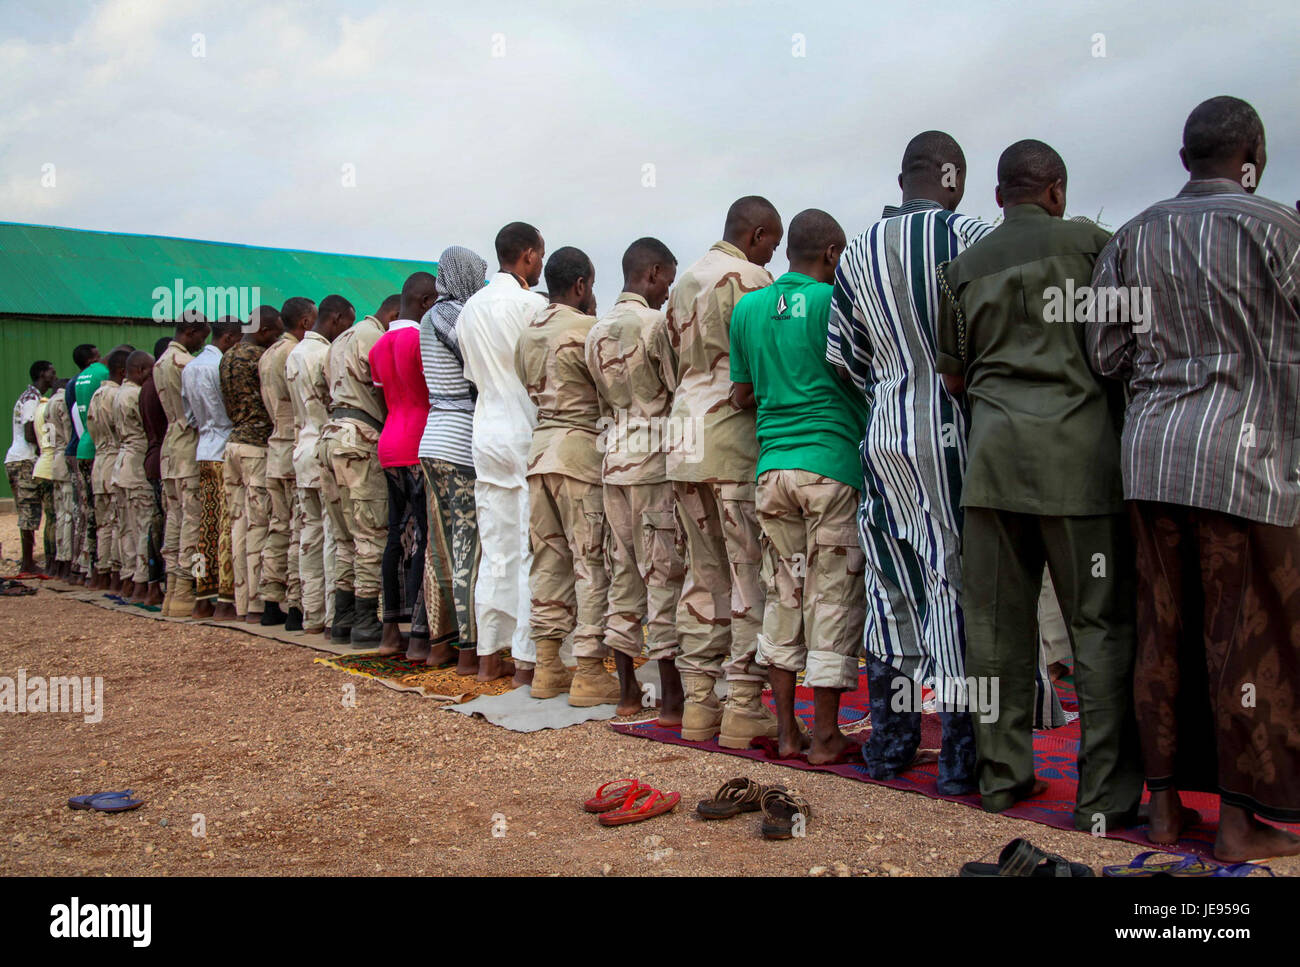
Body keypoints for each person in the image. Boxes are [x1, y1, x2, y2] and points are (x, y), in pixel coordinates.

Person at [1088, 96, 1300, 862]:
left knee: (1161, 628)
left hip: (1152, 457)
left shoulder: (1131, 238)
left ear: (1184, 159)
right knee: (1252, 643)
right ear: (1256, 152)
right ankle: (1243, 819)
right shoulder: (1281, 229)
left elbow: (1104, 355)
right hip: (1253, 463)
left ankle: (1167, 806)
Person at [936, 139, 1142, 831]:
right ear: (1055, 190)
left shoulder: (959, 271)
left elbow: (955, 377)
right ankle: (1104, 798)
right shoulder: (1094, 245)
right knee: (1100, 628)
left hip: (992, 469)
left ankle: (1001, 780)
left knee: (994, 631)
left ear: (999, 197)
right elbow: (1125, 347)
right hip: (1080, 467)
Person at [827, 132, 993, 794]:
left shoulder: (859, 250)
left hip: (884, 430)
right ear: (953, 178)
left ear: (903, 179)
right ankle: (958, 753)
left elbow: (846, 356)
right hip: (952, 432)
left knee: (888, 584)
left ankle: (890, 746)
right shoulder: (974, 235)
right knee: (952, 579)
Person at [730, 209, 868, 763]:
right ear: (832, 253)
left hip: (772, 470)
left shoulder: (748, 307)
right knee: (831, 594)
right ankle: (826, 735)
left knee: (782, 595)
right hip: (831, 465)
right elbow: (858, 373)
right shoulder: (836, 304)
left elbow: (741, 395)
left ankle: (788, 732)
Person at [661, 196, 782, 747]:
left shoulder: (681, 283)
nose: (774, 255)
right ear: (757, 235)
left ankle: (698, 705)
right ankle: (743, 706)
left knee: (701, 573)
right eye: (773, 244)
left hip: (683, 435)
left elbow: (670, 366)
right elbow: (761, 366)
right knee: (746, 571)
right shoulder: (751, 280)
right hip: (730, 433)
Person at [515, 246, 620, 706]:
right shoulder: (587, 330)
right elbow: (613, 392)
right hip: (579, 455)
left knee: (548, 561)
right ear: (581, 286)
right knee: (590, 562)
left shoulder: (529, 332)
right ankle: (590, 671)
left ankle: (547, 666)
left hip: (539, 455)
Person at [584, 237, 685, 720]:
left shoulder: (595, 332)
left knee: (622, 571)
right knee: (664, 572)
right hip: (654, 463)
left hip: (614, 460)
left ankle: (627, 693)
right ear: (652, 272)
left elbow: (604, 404)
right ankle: (671, 698)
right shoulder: (654, 325)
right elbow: (675, 390)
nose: (669, 290)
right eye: (667, 278)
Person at [458, 222, 549, 685]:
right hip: (524, 429)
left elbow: (474, 375)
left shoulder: (467, 310)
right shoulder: (533, 306)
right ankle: (527, 662)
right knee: (530, 545)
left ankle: (489, 657)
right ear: (529, 256)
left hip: (486, 431)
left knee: (496, 546)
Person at [419, 246, 488, 673]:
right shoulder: (451, 316)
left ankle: (440, 643)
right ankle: (468, 647)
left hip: (433, 441)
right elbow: (481, 363)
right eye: (476, 278)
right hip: (458, 440)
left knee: (441, 548)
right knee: (466, 546)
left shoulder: (431, 316)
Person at [370, 272, 439, 659]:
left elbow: (385, 401)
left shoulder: (379, 345)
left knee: (396, 538)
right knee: (424, 540)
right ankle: (419, 634)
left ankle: (389, 632)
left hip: (389, 443)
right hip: (418, 443)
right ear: (427, 301)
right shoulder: (419, 339)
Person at [320, 295, 394, 645]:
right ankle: (366, 620)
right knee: (370, 532)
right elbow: (385, 392)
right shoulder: (374, 339)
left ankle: (343, 618)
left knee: (343, 535)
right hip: (360, 439)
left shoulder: (339, 340)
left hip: (331, 435)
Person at [288, 295, 355, 636]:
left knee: (308, 536)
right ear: (337, 319)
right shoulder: (323, 354)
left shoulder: (294, 354)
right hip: (323, 449)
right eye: (347, 323)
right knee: (333, 535)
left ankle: (310, 614)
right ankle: (333, 617)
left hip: (302, 447)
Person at [220, 305, 284, 621]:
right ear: (265, 330)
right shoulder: (259, 358)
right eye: (276, 332)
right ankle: (258, 604)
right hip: (256, 448)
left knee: (238, 526)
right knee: (260, 525)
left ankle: (241, 601)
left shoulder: (227, 357)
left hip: (231, 444)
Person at [258, 297, 314, 631]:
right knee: (297, 529)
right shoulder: (294, 353)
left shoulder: (268, 354)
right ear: (306, 322)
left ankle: (269, 599)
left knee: (276, 528)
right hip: (293, 443)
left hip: (274, 448)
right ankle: (295, 606)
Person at [183, 318, 240, 619]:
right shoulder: (222, 366)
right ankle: (225, 599)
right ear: (229, 339)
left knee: (203, 527)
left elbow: (189, 416)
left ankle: (201, 594)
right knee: (225, 526)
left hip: (203, 450)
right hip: (223, 448)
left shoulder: (190, 367)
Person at [153, 314, 210, 616]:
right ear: (191, 332)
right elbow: (197, 412)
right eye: (202, 336)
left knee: (174, 520)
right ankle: (188, 589)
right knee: (193, 521)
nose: (204, 343)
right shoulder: (186, 364)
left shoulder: (160, 362)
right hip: (189, 446)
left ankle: (172, 590)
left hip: (170, 449)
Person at [112, 351, 155, 604]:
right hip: (137, 463)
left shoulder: (117, 394)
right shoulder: (135, 395)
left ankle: (127, 578)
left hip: (121, 464)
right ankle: (141, 582)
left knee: (126, 527)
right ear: (139, 370)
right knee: (144, 527)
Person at [6, 360, 56, 574]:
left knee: (30, 511)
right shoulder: (31, 399)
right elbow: (29, 431)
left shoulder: (33, 397)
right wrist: (46, 445)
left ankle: (29, 561)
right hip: (24, 459)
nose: (54, 375)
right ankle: (27, 563)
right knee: (29, 511)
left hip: (21, 459)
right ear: (42, 374)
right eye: (51, 372)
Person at [87, 349, 130, 592]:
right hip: (115, 459)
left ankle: (101, 571)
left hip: (99, 461)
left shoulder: (97, 394)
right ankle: (114, 572)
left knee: (103, 523)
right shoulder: (117, 395)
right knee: (117, 523)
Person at [139, 338, 171, 606]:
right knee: (167, 527)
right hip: (165, 459)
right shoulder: (159, 384)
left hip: (154, 459)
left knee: (158, 526)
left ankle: (155, 584)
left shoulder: (146, 386)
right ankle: (163, 584)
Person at [74, 348, 110, 586]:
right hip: (98, 448)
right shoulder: (102, 373)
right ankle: (98, 571)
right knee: (103, 516)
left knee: (88, 513)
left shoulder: (81, 378)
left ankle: (87, 569)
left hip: (83, 445)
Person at [65, 345, 99, 585]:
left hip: (79, 447)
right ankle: (88, 568)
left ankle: (79, 567)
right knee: (90, 513)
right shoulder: (90, 381)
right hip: (87, 446)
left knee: (82, 512)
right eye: (96, 356)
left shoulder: (74, 383)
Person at [30, 376, 64, 575]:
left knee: (50, 519)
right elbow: (51, 441)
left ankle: (51, 561)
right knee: (53, 519)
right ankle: (52, 562)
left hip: (41, 466)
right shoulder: (49, 410)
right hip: (49, 468)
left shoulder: (39, 409)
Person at [43, 379, 75, 579]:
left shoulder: (47, 405)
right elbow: (69, 431)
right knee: (68, 514)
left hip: (54, 459)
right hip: (64, 459)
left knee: (59, 513)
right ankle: (66, 561)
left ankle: (58, 560)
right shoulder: (62, 401)